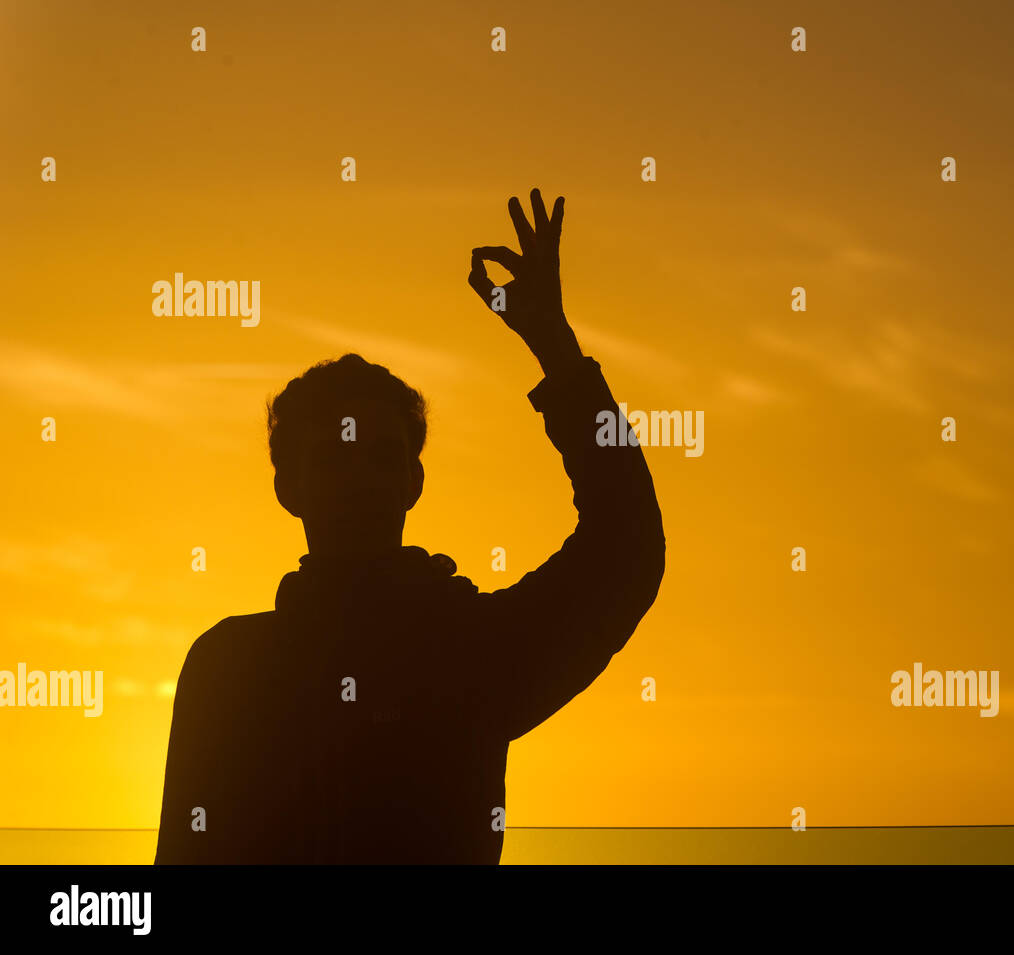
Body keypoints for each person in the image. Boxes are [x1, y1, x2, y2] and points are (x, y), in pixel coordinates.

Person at [155, 188, 665, 863]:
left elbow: (624, 547)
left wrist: (556, 349)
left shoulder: (469, 652)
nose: (359, 476)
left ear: (412, 483)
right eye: (334, 456)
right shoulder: (228, 666)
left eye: (379, 455)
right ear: (288, 488)